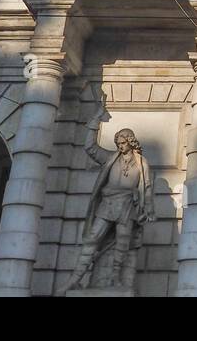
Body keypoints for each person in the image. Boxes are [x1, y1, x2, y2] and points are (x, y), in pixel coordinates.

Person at [59, 123, 155, 293]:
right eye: (118, 143)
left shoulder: (142, 163)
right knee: (92, 239)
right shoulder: (110, 157)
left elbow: (146, 186)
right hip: (108, 204)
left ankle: (116, 278)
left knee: (123, 244)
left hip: (127, 206)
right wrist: (94, 124)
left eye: (123, 143)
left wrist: (148, 208)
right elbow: (90, 148)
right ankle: (74, 279)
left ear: (131, 142)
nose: (120, 146)